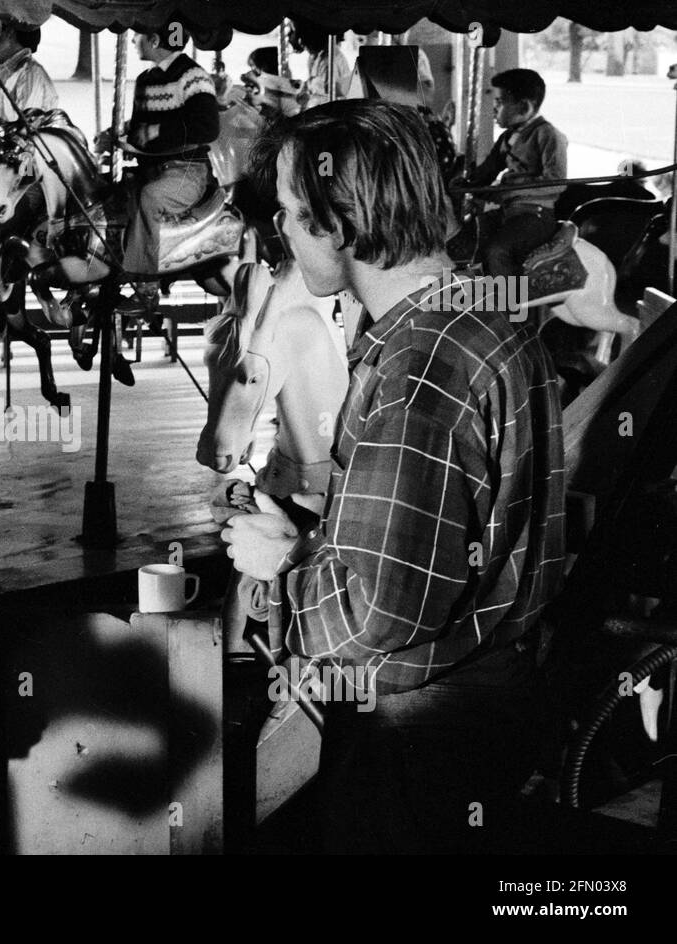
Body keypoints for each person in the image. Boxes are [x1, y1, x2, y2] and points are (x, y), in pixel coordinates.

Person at [222, 99, 565, 854]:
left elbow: (379, 611)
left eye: (285, 213)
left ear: (336, 227)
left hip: (414, 735)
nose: (278, 230)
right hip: (490, 713)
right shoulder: (485, 321)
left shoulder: (419, 370)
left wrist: (282, 565)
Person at [96, 23, 220, 314]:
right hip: (149, 167)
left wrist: (154, 134)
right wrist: (114, 136)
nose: (135, 42)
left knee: (151, 198)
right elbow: (139, 128)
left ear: (153, 40)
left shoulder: (193, 77)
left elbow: (207, 127)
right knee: (108, 196)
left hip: (187, 170)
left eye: (138, 37)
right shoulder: (146, 79)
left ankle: (147, 287)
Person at [454, 68, 567, 279]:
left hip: (536, 214)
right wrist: (466, 183)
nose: (494, 108)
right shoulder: (507, 137)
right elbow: (487, 171)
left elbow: (556, 181)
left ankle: (509, 306)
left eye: (500, 102)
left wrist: (507, 192)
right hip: (510, 212)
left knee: (498, 251)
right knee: (473, 241)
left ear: (524, 106)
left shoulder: (548, 135)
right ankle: (482, 294)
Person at [290, 18, 351, 109]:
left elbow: (328, 99)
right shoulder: (315, 57)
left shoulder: (330, 60)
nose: (300, 42)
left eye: (303, 36)